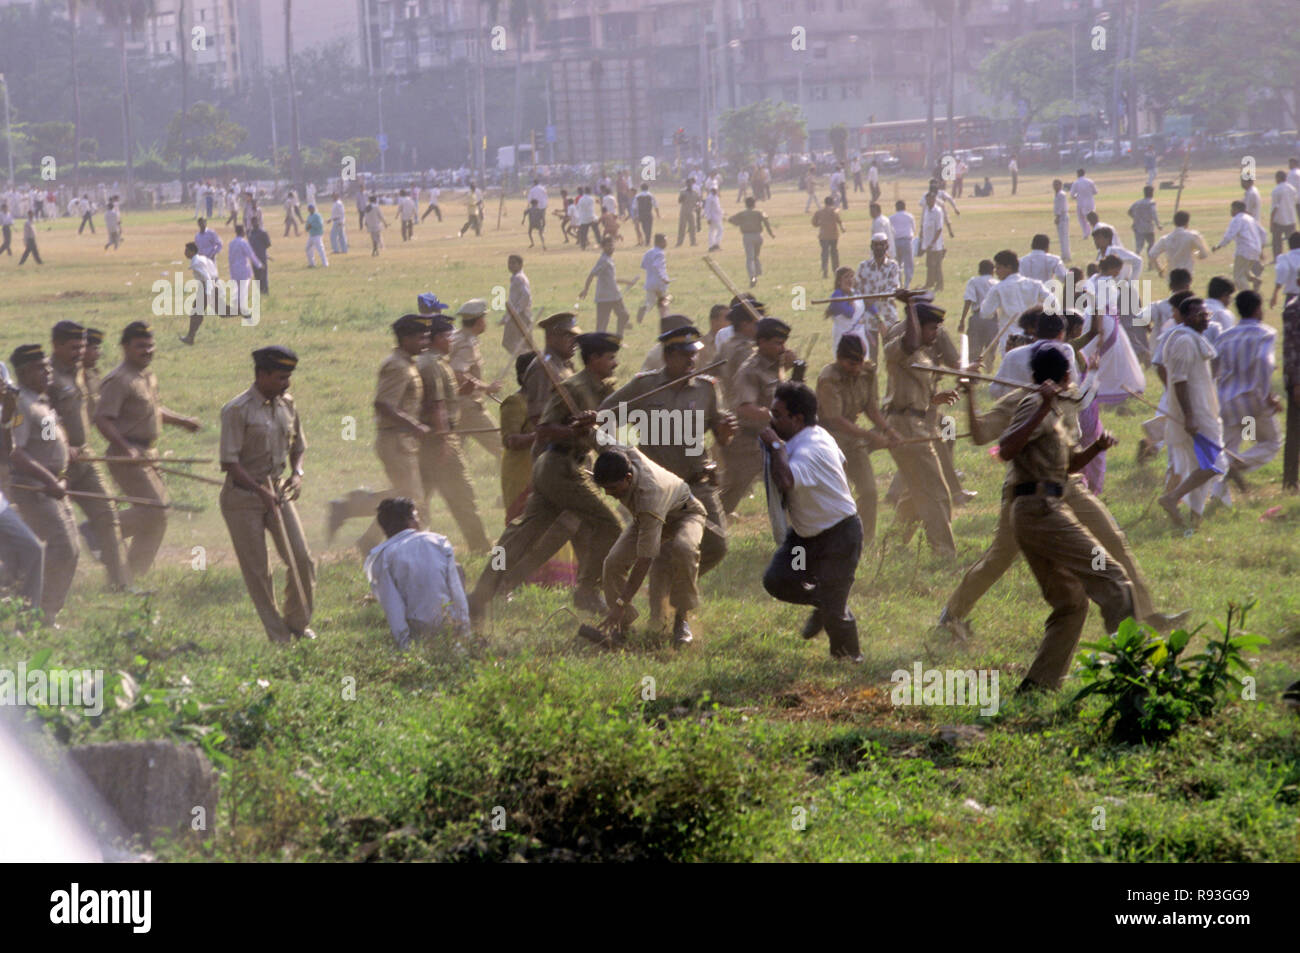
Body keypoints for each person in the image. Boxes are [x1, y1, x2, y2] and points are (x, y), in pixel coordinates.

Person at [996, 345, 1134, 692]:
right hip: (1041, 510)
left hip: (1039, 510)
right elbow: (1006, 449)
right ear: (1068, 375)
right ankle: (1134, 675)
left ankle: (1038, 686)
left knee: (1071, 602)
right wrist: (1042, 404)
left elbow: (1068, 465)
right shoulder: (1036, 404)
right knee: (1115, 579)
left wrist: (1096, 449)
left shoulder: (1057, 408)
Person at [467, 331, 624, 620]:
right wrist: (575, 430)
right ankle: (587, 590)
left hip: (567, 468)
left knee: (522, 535)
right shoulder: (571, 388)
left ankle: (480, 594)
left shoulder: (603, 389)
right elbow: (544, 431)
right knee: (611, 525)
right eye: (610, 357)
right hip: (558, 468)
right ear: (593, 359)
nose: (615, 364)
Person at [601, 324, 735, 585]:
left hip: (697, 483)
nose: (691, 360)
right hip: (657, 489)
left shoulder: (706, 389)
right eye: (684, 355)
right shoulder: (644, 386)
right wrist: (621, 458)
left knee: (717, 545)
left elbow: (722, 435)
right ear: (668, 356)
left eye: (694, 354)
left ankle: (672, 584)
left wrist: (725, 431)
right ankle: (669, 609)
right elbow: (603, 417)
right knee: (657, 549)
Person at [759, 381, 864, 661]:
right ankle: (825, 600)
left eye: (777, 415)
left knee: (835, 610)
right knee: (779, 580)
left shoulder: (810, 447)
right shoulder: (812, 435)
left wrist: (775, 446)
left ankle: (850, 658)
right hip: (805, 541)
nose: (771, 420)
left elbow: (786, 480)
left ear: (797, 419)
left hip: (839, 538)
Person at [219, 346, 315, 644]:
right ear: (261, 375)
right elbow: (229, 463)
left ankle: (298, 624)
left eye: (288, 377)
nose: (286, 383)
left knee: (302, 558)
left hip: (279, 492)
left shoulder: (287, 404)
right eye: (280, 377)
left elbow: (299, 447)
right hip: (243, 498)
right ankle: (278, 634)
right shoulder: (237, 410)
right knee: (259, 571)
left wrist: (297, 475)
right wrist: (260, 491)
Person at [94, 322, 201, 578]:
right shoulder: (119, 380)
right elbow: (102, 419)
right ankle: (98, 531)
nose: (148, 351)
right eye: (140, 346)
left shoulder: (147, 376)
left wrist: (182, 421)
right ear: (125, 347)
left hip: (148, 454)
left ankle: (132, 575)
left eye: (150, 345)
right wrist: (125, 447)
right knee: (156, 511)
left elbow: (153, 410)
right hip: (126, 456)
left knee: (159, 515)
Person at [326, 314, 431, 552]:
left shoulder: (408, 364)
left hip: (403, 441)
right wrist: (413, 425)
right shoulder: (396, 366)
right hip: (395, 441)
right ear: (405, 339)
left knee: (406, 496)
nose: (424, 342)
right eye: (419, 337)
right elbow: (383, 404)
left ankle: (356, 521)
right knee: (410, 498)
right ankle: (358, 522)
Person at [591, 447, 707, 645]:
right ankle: (624, 626)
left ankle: (681, 619)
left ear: (628, 478)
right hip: (643, 519)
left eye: (613, 488)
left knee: (684, 549)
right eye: (604, 489)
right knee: (612, 563)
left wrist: (620, 602)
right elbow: (600, 439)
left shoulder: (649, 498)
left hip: (685, 514)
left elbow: (644, 560)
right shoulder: (625, 454)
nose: (609, 494)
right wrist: (589, 426)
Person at [47, 321, 129, 589]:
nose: (80, 352)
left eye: (83, 347)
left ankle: (120, 583)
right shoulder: (46, 378)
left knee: (108, 514)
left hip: (85, 458)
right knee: (55, 530)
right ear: (56, 345)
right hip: (54, 465)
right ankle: (42, 588)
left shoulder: (80, 373)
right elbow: (44, 421)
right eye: (73, 347)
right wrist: (60, 446)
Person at [7, 344, 79, 623]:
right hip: (37, 490)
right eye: (41, 367)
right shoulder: (20, 405)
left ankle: (48, 611)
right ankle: (38, 613)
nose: (48, 371)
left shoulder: (41, 400)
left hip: (55, 488)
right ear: (24, 372)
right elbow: (16, 452)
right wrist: (50, 478)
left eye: (48, 366)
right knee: (61, 548)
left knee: (71, 550)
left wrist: (65, 454)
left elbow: (47, 439)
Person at [416, 315, 492, 555]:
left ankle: (374, 538)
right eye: (448, 336)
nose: (451, 340)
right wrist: (444, 442)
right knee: (462, 494)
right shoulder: (434, 365)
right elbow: (437, 406)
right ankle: (480, 547)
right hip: (440, 440)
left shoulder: (433, 362)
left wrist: (463, 390)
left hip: (430, 441)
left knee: (418, 497)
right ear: (438, 339)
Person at [815, 334, 898, 543]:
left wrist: (888, 430)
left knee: (869, 491)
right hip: (828, 440)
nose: (857, 368)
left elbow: (871, 408)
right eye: (852, 363)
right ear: (839, 358)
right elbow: (835, 420)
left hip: (853, 440)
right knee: (835, 497)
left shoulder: (867, 373)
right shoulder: (828, 378)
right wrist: (870, 436)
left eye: (861, 361)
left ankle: (864, 540)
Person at [365, 497, 470, 649]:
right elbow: (457, 592)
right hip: (450, 625)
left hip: (419, 632)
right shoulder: (440, 542)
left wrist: (405, 646)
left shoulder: (382, 557)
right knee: (457, 569)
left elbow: (393, 606)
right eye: (417, 516)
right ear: (410, 520)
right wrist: (465, 631)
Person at [1157, 296, 1225, 528]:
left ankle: (1195, 517)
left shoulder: (1194, 338)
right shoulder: (1184, 341)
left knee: (1203, 467)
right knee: (1211, 465)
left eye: (1207, 314)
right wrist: (1189, 415)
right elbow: (1178, 380)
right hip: (1194, 414)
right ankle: (1171, 498)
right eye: (1200, 314)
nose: (1205, 318)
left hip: (1203, 410)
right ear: (1185, 317)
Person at [721, 317, 792, 514]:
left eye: (783, 343)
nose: (782, 348)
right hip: (748, 442)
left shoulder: (775, 364)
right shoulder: (750, 371)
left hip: (773, 439)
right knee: (731, 494)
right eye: (777, 343)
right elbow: (745, 408)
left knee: (788, 485)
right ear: (761, 342)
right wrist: (777, 416)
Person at [1215, 290, 1281, 497]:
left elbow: (1214, 368)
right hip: (1254, 399)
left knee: (1228, 447)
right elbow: (1264, 362)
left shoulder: (1225, 336)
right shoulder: (1266, 333)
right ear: (1258, 309)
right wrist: (1268, 395)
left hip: (1226, 399)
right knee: (1271, 442)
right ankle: (1238, 465)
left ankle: (1218, 495)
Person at [448, 299, 504, 460]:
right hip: (469, 407)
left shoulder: (457, 337)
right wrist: (487, 387)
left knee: (452, 453)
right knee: (500, 446)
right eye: (484, 319)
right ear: (479, 321)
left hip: (455, 405)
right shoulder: (466, 344)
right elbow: (459, 374)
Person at [980, 250, 1051, 357]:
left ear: (1008, 267)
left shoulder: (998, 289)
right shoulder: (1035, 285)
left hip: (1010, 341)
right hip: (1033, 338)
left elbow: (985, 313)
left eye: (998, 268)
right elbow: (1053, 303)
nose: (996, 271)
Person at [854, 233, 903, 357]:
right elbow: (858, 290)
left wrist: (871, 298)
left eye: (882, 244)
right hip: (869, 316)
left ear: (887, 246)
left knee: (891, 352)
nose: (878, 248)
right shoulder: (863, 266)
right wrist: (867, 300)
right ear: (871, 246)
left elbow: (893, 289)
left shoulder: (893, 266)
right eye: (876, 245)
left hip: (888, 315)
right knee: (872, 353)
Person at [580, 236, 635, 336]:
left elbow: (611, 279)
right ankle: (599, 345)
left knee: (624, 315)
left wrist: (627, 282)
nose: (612, 248)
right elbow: (592, 274)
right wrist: (585, 290)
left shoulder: (609, 259)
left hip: (614, 295)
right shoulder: (603, 260)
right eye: (609, 246)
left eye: (613, 245)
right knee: (602, 325)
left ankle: (618, 338)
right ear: (603, 247)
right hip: (605, 298)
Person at [1211, 200, 1267, 294]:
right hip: (1255, 249)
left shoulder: (1237, 219)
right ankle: (1256, 281)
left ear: (1236, 209)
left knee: (1238, 277)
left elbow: (1230, 234)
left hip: (1244, 250)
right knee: (1245, 272)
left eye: (1232, 209)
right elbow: (1263, 233)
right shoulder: (1250, 218)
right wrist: (1261, 248)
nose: (1231, 211)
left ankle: (1248, 296)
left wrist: (1219, 246)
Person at [179, 240, 220, 346]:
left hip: (208, 287)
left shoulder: (196, 262)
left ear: (192, 252)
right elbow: (211, 267)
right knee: (196, 312)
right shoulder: (200, 258)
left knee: (198, 312)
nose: (185, 252)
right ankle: (190, 337)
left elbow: (206, 277)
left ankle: (190, 337)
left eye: (187, 250)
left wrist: (208, 292)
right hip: (207, 286)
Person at [1147, 210, 1210, 277]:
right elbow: (1204, 255)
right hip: (1186, 274)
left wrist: (1160, 269)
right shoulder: (1192, 236)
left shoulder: (1165, 239)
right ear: (1187, 222)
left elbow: (1152, 254)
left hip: (1171, 275)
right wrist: (1196, 254)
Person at [729, 197, 775, 287]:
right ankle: (758, 272)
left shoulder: (742, 213)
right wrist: (771, 234)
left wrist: (739, 223)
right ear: (754, 204)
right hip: (758, 236)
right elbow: (766, 222)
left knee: (750, 258)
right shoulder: (759, 212)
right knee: (755, 256)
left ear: (746, 204)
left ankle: (752, 276)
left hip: (747, 236)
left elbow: (731, 220)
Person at [227, 224, 262, 317]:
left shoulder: (231, 243)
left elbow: (230, 258)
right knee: (243, 291)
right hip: (243, 269)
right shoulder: (243, 242)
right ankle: (243, 310)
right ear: (243, 232)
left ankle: (236, 309)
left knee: (236, 290)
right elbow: (251, 255)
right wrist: (259, 265)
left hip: (234, 269)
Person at [637, 233, 671, 327]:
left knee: (650, 303)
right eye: (665, 241)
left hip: (649, 282)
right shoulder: (660, 253)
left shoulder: (648, 252)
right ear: (660, 242)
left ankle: (644, 309)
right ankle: (665, 320)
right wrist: (664, 278)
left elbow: (643, 265)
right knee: (663, 302)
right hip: (659, 282)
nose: (666, 243)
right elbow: (658, 266)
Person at [503, 255, 532, 355]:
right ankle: (524, 358)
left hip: (519, 315)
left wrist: (518, 311)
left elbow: (526, 295)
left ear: (520, 265)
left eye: (513, 263)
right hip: (517, 314)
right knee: (524, 342)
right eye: (509, 263)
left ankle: (522, 357)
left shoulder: (519, 278)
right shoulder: (515, 277)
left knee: (508, 341)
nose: (510, 265)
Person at [812, 196, 845, 279]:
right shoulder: (835, 211)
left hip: (823, 236)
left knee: (824, 254)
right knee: (834, 253)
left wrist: (821, 224)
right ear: (832, 203)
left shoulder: (819, 212)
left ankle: (825, 272)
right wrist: (842, 228)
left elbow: (814, 223)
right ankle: (836, 271)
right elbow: (839, 221)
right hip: (833, 235)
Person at [919, 191, 947, 291]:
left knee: (937, 266)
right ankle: (929, 283)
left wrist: (933, 243)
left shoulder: (938, 211)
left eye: (930, 199)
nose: (929, 201)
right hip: (927, 244)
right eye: (927, 200)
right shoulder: (927, 210)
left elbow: (939, 229)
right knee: (929, 265)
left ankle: (940, 286)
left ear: (934, 199)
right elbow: (925, 225)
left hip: (936, 245)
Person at [1269, 170, 1299, 261]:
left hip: (1279, 219)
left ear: (1278, 178)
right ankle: (1295, 257)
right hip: (1291, 218)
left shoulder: (1276, 190)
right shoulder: (1292, 188)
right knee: (1293, 241)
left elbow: (1275, 207)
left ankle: (1277, 258)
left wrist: (1271, 221)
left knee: (1277, 241)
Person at [889, 200, 916, 286]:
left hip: (896, 241)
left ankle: (899, 282)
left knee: (897, 263)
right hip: (907, 241)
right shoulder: (909, 216)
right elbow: (913, 229)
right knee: (908, 263)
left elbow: (890, 230)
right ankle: (907, 283)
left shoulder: (891, 218)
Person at [1068, 168, 1098, 239]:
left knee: (1082, 219)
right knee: (1092, 218)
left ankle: (1086, 233)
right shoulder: (1090, 181)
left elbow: (1072, 195)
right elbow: (1095, 192)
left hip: (1081, 203)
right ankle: (1096, 230)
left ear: (1078, 174)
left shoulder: (1076, 183)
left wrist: (1076, 196)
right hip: (1090, 202)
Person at [248, 219, 271, 298]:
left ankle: (265, 291)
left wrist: (261, 250)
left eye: (256, 221)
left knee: (263, 275)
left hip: (261, 257)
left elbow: (268, 244)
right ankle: (259, 292)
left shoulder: (263, 232)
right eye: (253, 222)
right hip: (254, 258)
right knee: (256, 275)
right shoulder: (250, 233)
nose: (254, 223)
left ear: (258, 222)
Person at [1051, 179, 1071, 263]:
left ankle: (1066, 255)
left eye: (1056, 185)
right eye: (1053, 185)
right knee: (1061, 237)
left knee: (1064, 237)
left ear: (1060, 185)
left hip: (1062, 216)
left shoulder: (1061, 195)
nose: (1054, 187)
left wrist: (1058, 217)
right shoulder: (1057, 194)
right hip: (1060, 216)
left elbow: (1060, 207)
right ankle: (1064, 254)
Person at [675, 177, 699, 247]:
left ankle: (693, 242)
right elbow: (679, 201)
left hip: (691, 211)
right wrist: (682, 197)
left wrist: (697, 206)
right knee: (682, 227)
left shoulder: (695, 192)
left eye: (690, 183)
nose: (689, 184)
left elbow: (698, 201)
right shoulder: (682, 191)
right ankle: (679, 242)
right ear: (686, 184)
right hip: (684, 211)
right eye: (688, 183)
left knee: (693, 228)